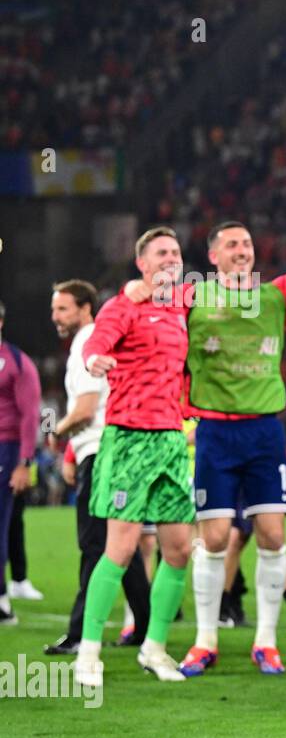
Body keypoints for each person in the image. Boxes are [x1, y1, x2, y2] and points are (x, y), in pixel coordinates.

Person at [158, 219, 286, 678]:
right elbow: (152, 311)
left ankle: (267, 642)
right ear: (213, 256)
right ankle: (205, 641)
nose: (242, 250)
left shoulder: (275, 295)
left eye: (247, 243)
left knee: (272, 536)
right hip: (215, 433)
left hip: (263, 433)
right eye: (232, 244)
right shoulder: (192, 297)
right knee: (214, 539)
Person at [75, 226, 196, 687]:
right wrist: (93, 361)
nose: (171, 258)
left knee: (180, 549)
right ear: (141, 263)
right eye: (161, 253)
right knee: (122, 548)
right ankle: (88, 653)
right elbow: (96, 342)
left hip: (170, 439)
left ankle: (155, 648)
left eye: (176, 252)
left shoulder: (182, 302)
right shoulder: (124, 305)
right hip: (128, 439)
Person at [44, 280, 151, 655]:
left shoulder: (91, 342)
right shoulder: (84, 343)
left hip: (103, 452)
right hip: (102, 449)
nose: (55, 316)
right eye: (55, 309)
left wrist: (55, 434)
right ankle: (146, 624)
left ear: (85, 308)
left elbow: (87, 411)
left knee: (94, 543)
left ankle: (78, 635)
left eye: (63, 309)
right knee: (122, 544)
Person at [0, 299, 39, 626]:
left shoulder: (17, 361)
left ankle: (10, 588)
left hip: (8, 449)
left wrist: (25, 460)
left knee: (10, 519)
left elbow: (33, 414)